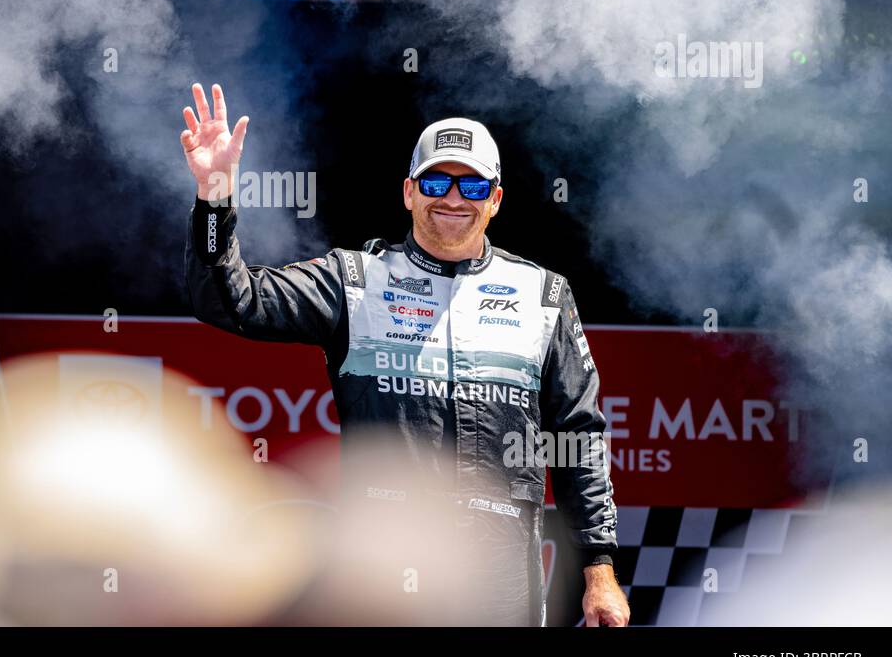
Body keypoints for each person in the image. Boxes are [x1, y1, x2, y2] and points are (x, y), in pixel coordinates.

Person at [181, 82, 630, 626]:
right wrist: (214, 196)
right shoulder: (354, 281)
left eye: (472, 184)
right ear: (409, 192)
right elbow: (230, 301)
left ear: (495, 199)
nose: (453, 198)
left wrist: (599, 571)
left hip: (500, 584)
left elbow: (578, 437)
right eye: (437, 181)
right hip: (381, 580)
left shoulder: (543, 295)